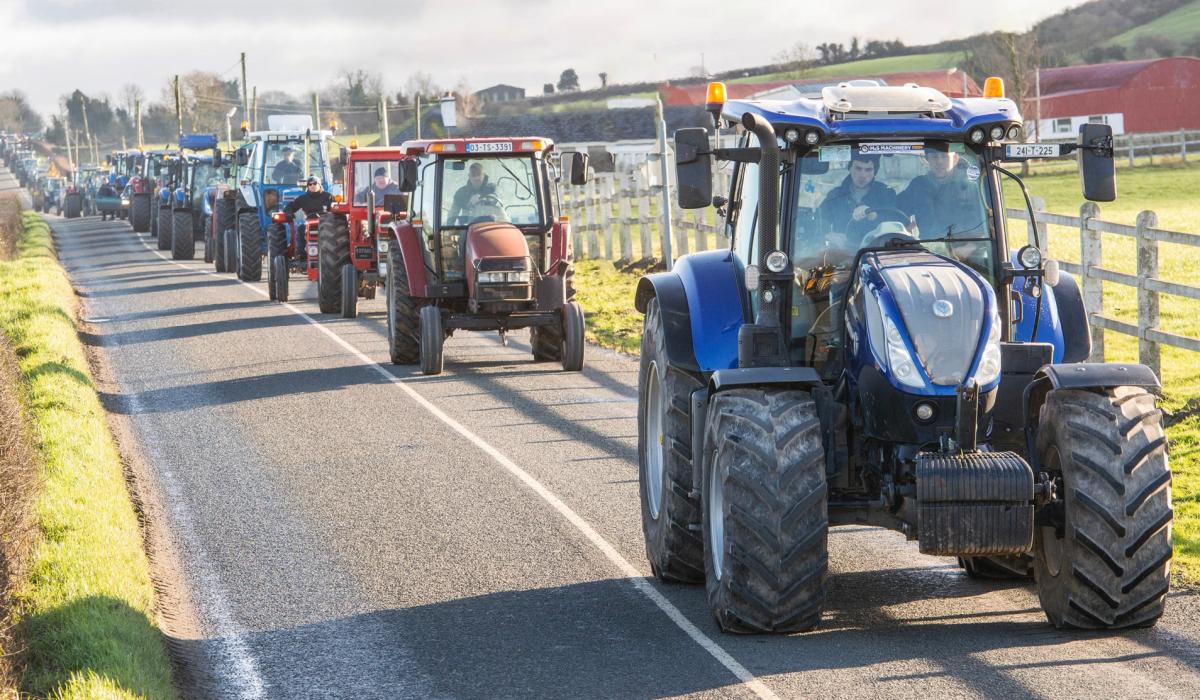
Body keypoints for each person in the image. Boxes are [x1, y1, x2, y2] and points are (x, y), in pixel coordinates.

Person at [815, 152, 898, 247]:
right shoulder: (835, 195)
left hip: (879, 251)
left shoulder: (886, 194)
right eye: (858, 168)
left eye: (868, 170)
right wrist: (828, 235)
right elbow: (819, 221)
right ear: (850, 168)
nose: (862, 175)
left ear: (875, 171)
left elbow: (896, 222)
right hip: (842, 255)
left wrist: (873, 215)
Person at [897, 148, 980, 238]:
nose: (939, 161)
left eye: (944, 156)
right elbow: (897, 211)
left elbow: (984, 225)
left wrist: (971, 247)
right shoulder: (918, 186)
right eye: (934, 157)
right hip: (928, 248)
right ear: (927, 159)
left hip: (964, 246)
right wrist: (902, 229)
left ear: (955, 159)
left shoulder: (970, 188)